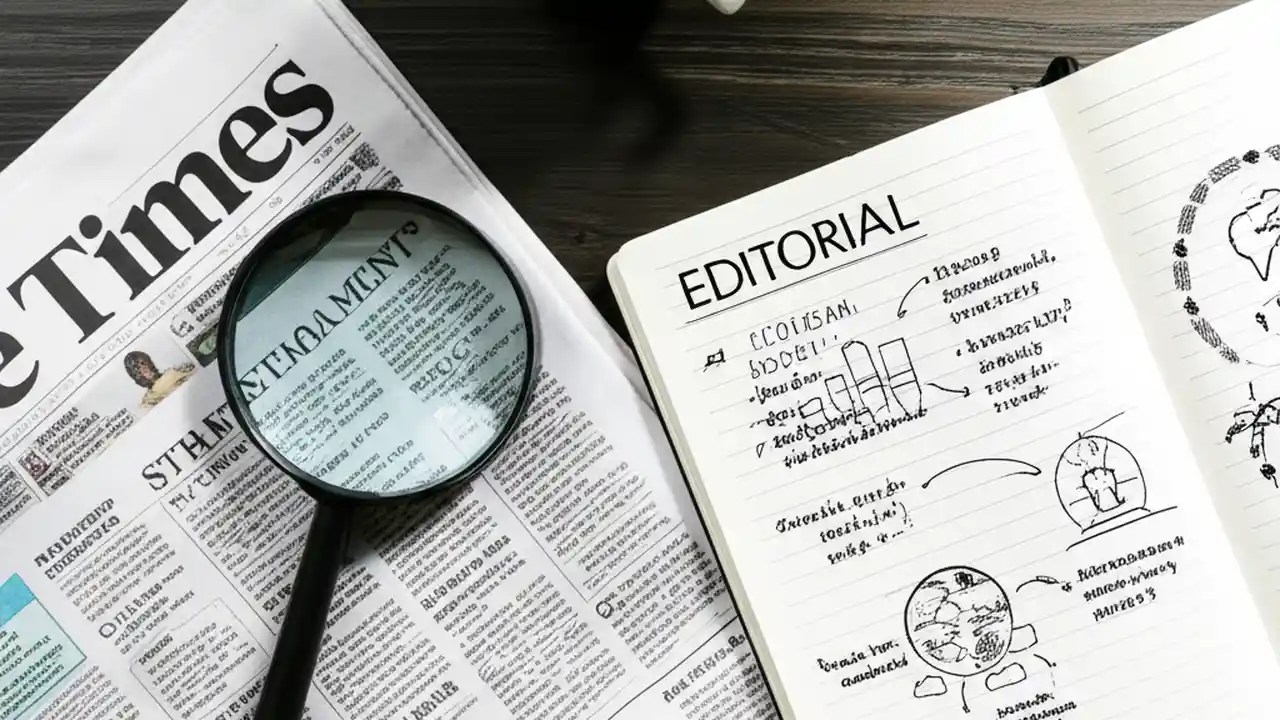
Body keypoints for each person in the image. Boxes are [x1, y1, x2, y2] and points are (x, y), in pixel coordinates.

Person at [124, 351, 197, 409]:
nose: (143, 368)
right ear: (135, 376)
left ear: (149, 362)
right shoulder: (148, 402)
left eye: (143, 363)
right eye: (137, 369)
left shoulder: (177, 371)